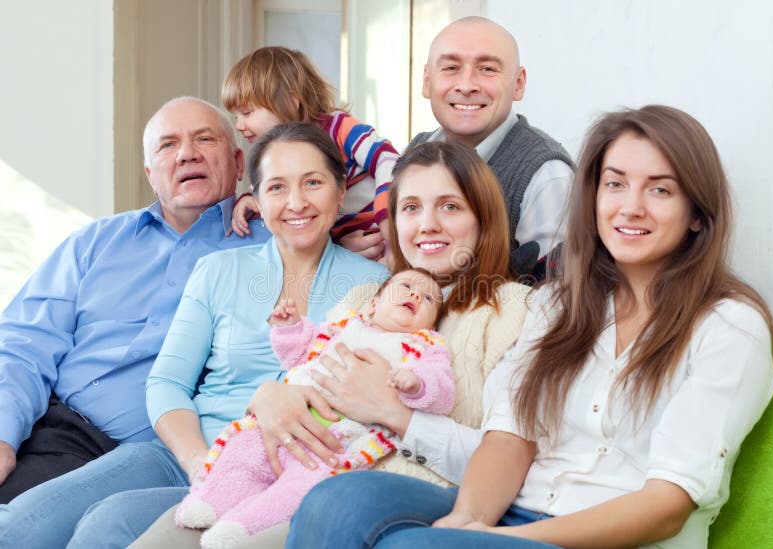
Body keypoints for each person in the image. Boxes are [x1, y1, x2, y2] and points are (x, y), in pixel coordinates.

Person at [287, 105, 773, 549]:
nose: (631, 206)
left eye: (660, 189)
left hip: (599, 536)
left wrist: (502, 538)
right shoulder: (557, 305)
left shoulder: (731, 327)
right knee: (337, 502)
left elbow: (669, 504)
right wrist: (468, 520)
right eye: (615, 184)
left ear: (697, 213)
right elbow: (509, 437)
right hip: (513, 515)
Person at [122, 140, 531, 549]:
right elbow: (307, 365)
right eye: (410, 208)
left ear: (484, 217)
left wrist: (393, 413)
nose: (427, 225)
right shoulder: (365, 298)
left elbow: (508, 460)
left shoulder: (515, 311)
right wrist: (269, 395)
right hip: (295, 464)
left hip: (374, 492)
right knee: (162, 539)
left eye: (450, 207)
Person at [0, 122, 389, 548]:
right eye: (277, 187)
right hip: (183, 455)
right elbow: (167, 382)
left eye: (312, 183)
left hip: (281, 471)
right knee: (25, 521)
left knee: (109, 523)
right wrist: (200, 463)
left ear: (339, 191)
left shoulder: (374, 287)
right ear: (256, 199)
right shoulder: (220, 270)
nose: (295, 202)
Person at [0, 96, 269, 503]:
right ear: (150, 173)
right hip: (61, 436)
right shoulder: (92, 244)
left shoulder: (275, 248)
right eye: (167, 145)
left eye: (204, 139)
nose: (186, 154)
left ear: (237, 162)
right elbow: (23, 343)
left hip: (172, 457)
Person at [174, 268, 452, 548]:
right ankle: (212, 501)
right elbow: (298, 355)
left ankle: (243, 527)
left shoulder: (425, 346)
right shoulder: (342, 328)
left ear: (431, 325)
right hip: (289, 415)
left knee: (302, 488)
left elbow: (442, 390)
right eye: (405, 286)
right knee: (244, 452)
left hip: (336, 444)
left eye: (428, 298)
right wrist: (289, 328)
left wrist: (417, 384)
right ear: (373, 304)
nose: (415, 294)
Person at [408, 16, 573, 277]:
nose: (466, 85)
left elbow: (555, 297)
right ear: (427, 81)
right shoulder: (413, 154)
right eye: (451, 67)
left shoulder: (547, 175)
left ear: (518, 84)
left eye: (487, 69)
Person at [224, 46, 399, 260]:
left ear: (291, 100)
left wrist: (386, 215)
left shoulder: (339, 127)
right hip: (345, 253)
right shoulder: (270, 156)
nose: (239, 126)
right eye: (236, 117)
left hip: (387, 235)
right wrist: (250, 199)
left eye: (246, 113)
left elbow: (388, 159)